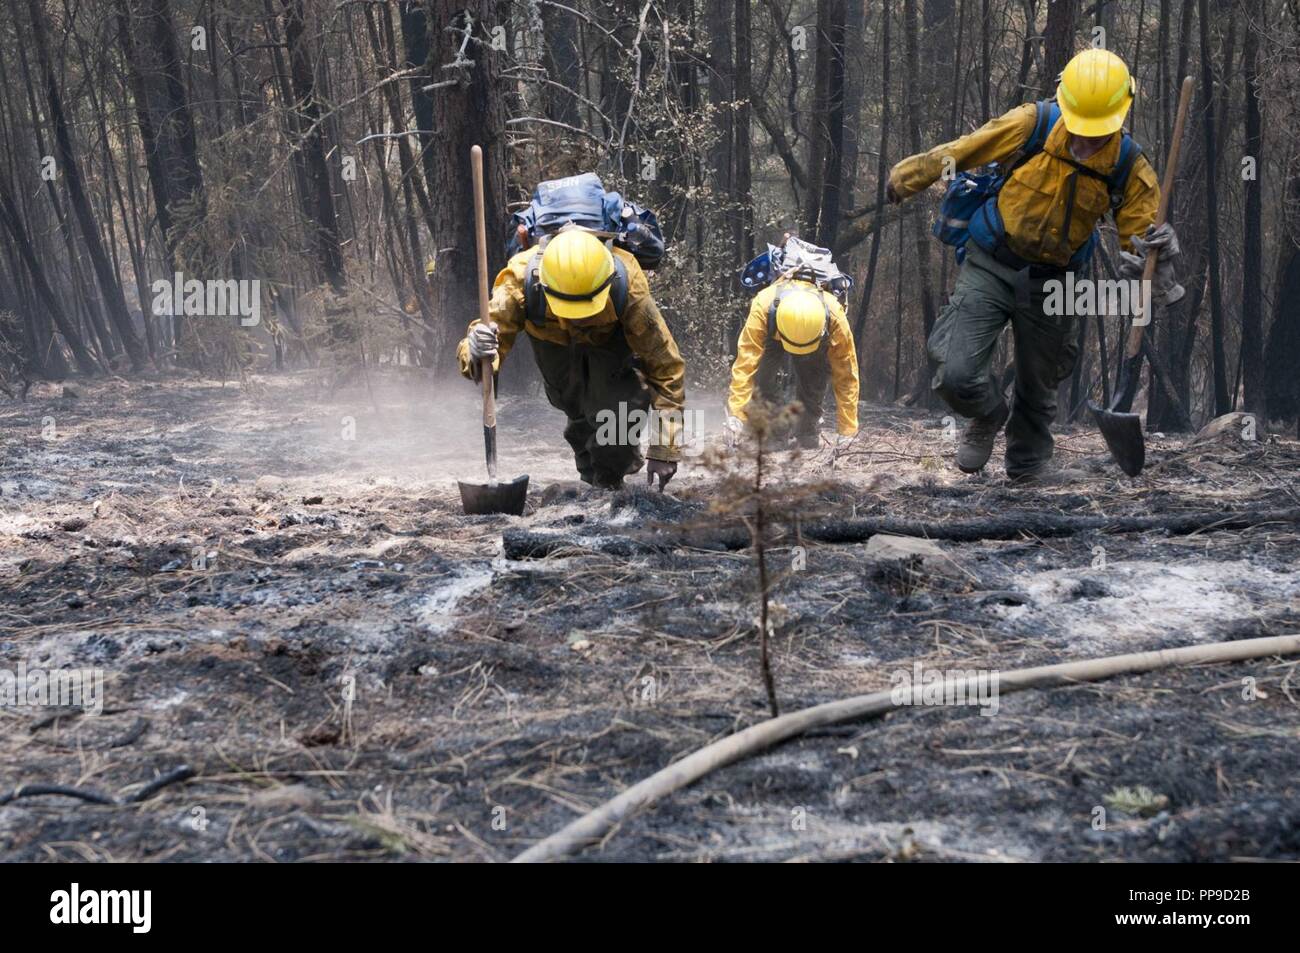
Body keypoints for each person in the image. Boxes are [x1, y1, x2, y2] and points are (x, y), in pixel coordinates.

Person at [887, 48, 1181, 481]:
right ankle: (987, 413)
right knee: (955, 371)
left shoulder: (1129, 168)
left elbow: (1142, 248)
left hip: (1055, 282)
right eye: (1080, 128)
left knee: (1039, 381)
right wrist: (908, 176)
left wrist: (1155, 262)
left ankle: (1027, 467)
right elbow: (964, 150)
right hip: (992, 262)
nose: (1085, 141)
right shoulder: (1032, 123)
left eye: (1096, 133)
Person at [457, 227, 685, 490]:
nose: (577, 317)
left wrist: (665, 449)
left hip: (609, 342)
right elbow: (488, 345)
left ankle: (609, 478)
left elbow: (667, 367)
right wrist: (475, 349)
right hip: (552, 344)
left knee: (617, 418)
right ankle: (593, 478)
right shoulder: (520, 278)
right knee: (573, 406)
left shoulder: (628, 284)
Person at [725, 271, 859, 450]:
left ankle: (807, 430)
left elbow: (847, 375)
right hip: (775, 333)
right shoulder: (763, 305)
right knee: (762, 378)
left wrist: (848, 430)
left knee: (814, 380)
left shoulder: (835, 316)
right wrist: (736, 415)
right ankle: (776, 429)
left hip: (816, 342)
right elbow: (745, 364)